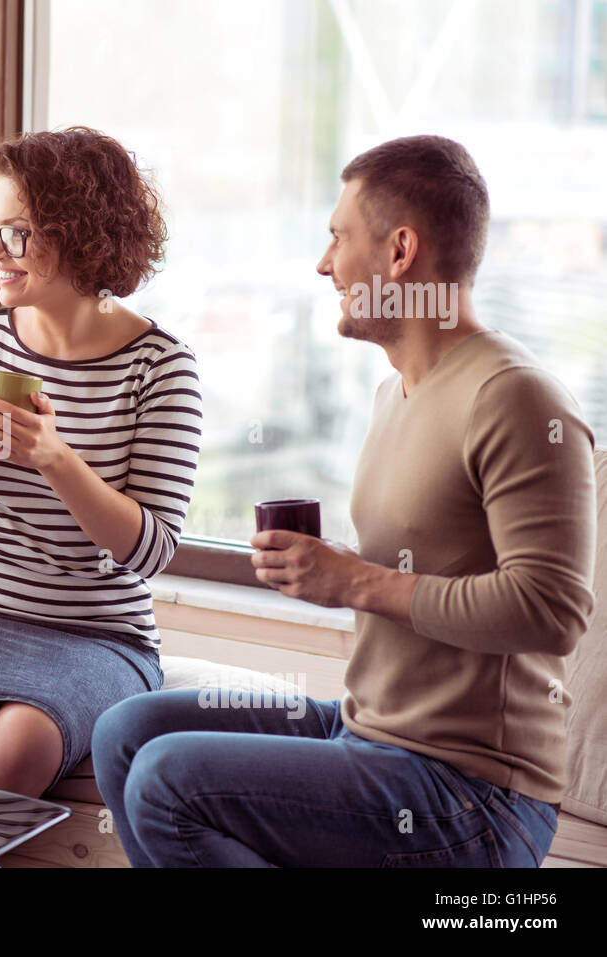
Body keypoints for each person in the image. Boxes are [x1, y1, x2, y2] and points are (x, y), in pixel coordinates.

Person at [91, 134, 596, 866]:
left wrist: (356, 581)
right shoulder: (396, 392)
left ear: (400, 251)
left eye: (338, 237)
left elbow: (552, 611)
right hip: (371, 731)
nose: (324, 264)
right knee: (125, 732)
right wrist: (330, 567)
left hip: (475, 792)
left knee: (169, 779)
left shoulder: (515, 397)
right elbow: (430, 565)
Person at [0, 127, 202, 798]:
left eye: (18, 234)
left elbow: (151, 550)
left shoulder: (161, 368)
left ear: (83, 237)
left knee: (19, 745)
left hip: (96, 634)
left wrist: (54, 458)